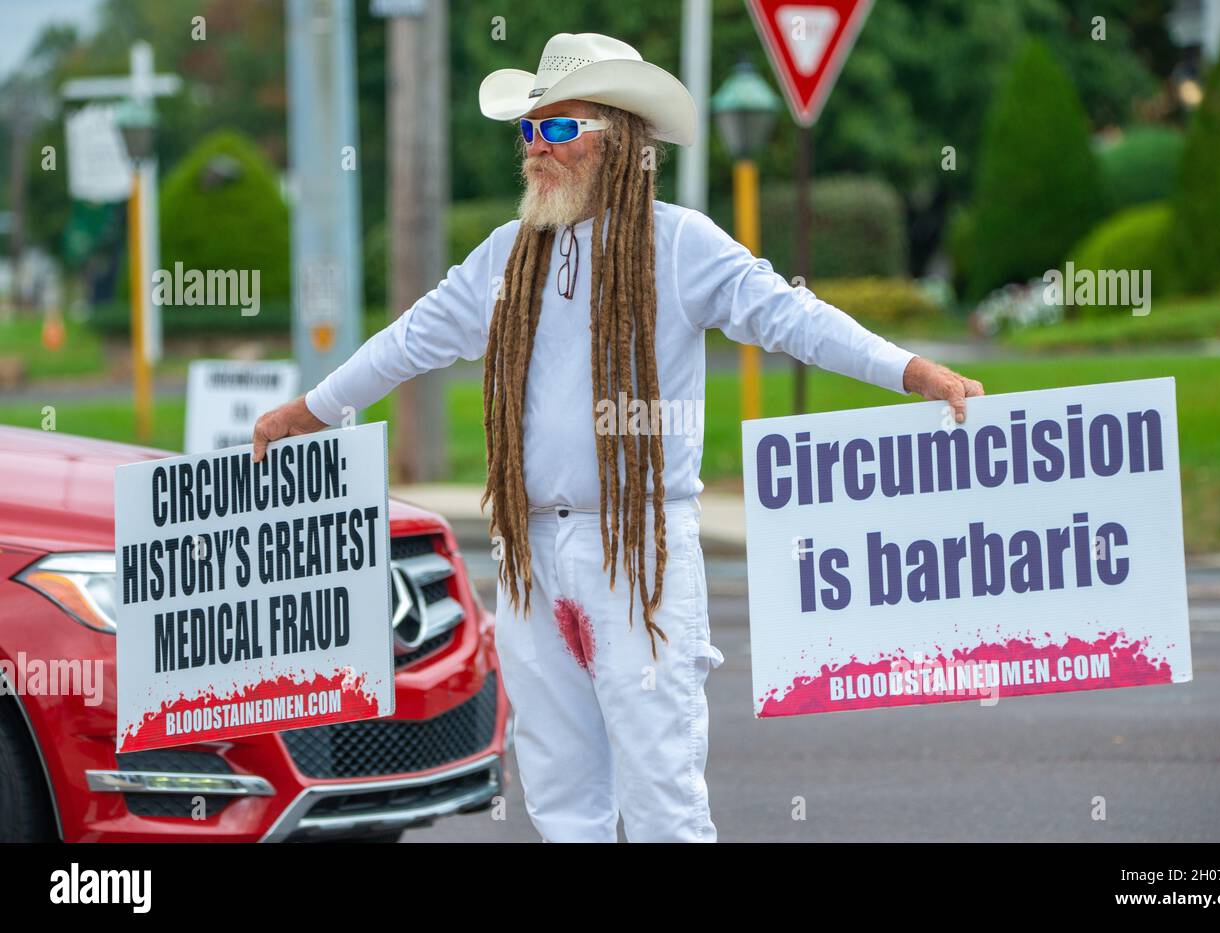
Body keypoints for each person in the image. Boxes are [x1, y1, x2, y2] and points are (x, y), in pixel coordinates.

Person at [253, 31, 984, 842]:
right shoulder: (506, 255)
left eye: (560, 129)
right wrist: (307, 411)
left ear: (620, 140)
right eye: (529, 131)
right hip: (531, 551)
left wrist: (911, 371)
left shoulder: (681, 246)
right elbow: (410, 340)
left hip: (639, 551)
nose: (536, 147)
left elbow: (791, 317)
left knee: (663, 795)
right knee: (561, 798)